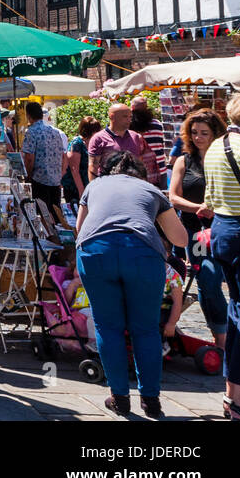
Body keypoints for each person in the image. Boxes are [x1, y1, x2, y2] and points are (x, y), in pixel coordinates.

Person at [75, 151, 187, 417]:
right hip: (142, 254)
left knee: (108, 326)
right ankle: (151, 400)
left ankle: (119, 397)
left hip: (96, 251)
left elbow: (80, 229)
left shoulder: (94, 186)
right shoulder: (151, 191)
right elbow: (181, 239)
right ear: (140, 173)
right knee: (146, 329)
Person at [201, 89, 240, 421]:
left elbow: (209, 196)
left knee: (238, 311)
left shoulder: (217, 145)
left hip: (221, 230)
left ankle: (232, 394)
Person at [168, 109, 229, 351]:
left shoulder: (226, 159)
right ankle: (222, 339)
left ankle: (222, 334)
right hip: (195, 231)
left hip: (224, 229)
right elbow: (173, 197)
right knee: (207, 278)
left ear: (216, 134)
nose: (198, 137)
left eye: (204, 133)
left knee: (213, 282)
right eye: (194, 133)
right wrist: (199, 208)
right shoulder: (184, 161)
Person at [86, 103, 155, 182]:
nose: (129, 120)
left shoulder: (135, 137)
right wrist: (93, 189)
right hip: (109, 185)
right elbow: (93, 166)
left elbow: (140, 163)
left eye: (130, 117)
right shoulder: (98, 138)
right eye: (125, 116)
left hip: (133, 185)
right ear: (112, 116)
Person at [21, 101, 67, 215]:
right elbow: (62, 155)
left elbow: (29, 158)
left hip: (40, 179)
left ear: (28, 116)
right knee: (55, 215)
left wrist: (28, 176)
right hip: (55, 180)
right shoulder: (55, 132)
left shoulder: (31, 132)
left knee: (42, 215)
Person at [62, 116, 101, 206]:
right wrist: (82, 191)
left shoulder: (92, 143)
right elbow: (74, 170)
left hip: (88, 185)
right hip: (75, 187)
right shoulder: (76, 143)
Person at [131, 96, 168, 187]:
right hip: (159, 169)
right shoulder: (157, 124)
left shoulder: (129, 127)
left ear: (132, 108)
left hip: (138, 171)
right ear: (147, 108)